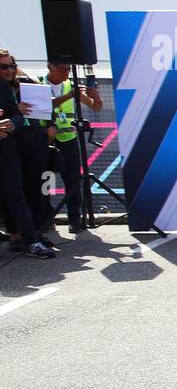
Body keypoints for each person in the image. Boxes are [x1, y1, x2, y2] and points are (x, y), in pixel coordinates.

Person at [0, 50, 56, 259]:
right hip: (15, 147)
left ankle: (31, 240)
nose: (9, 70)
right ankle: (18, 236)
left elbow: (14, 115)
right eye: (4, 67)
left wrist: (11, 124)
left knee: (18, 196)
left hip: (10, 150)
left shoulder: (5, 88)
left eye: (11, 66)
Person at [45, 62, 103, 233]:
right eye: (61, 68)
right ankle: (46, 218)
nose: (65, 72)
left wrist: (95, 95)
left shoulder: (71, 85)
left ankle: (74, 218)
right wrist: (70, 95)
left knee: (73, 179)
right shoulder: (38, 84)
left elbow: (96, 106)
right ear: (50, 67)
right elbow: (46, 104)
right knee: (44, 178)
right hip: (46, 138)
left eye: (68, 69)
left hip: (68, 138)